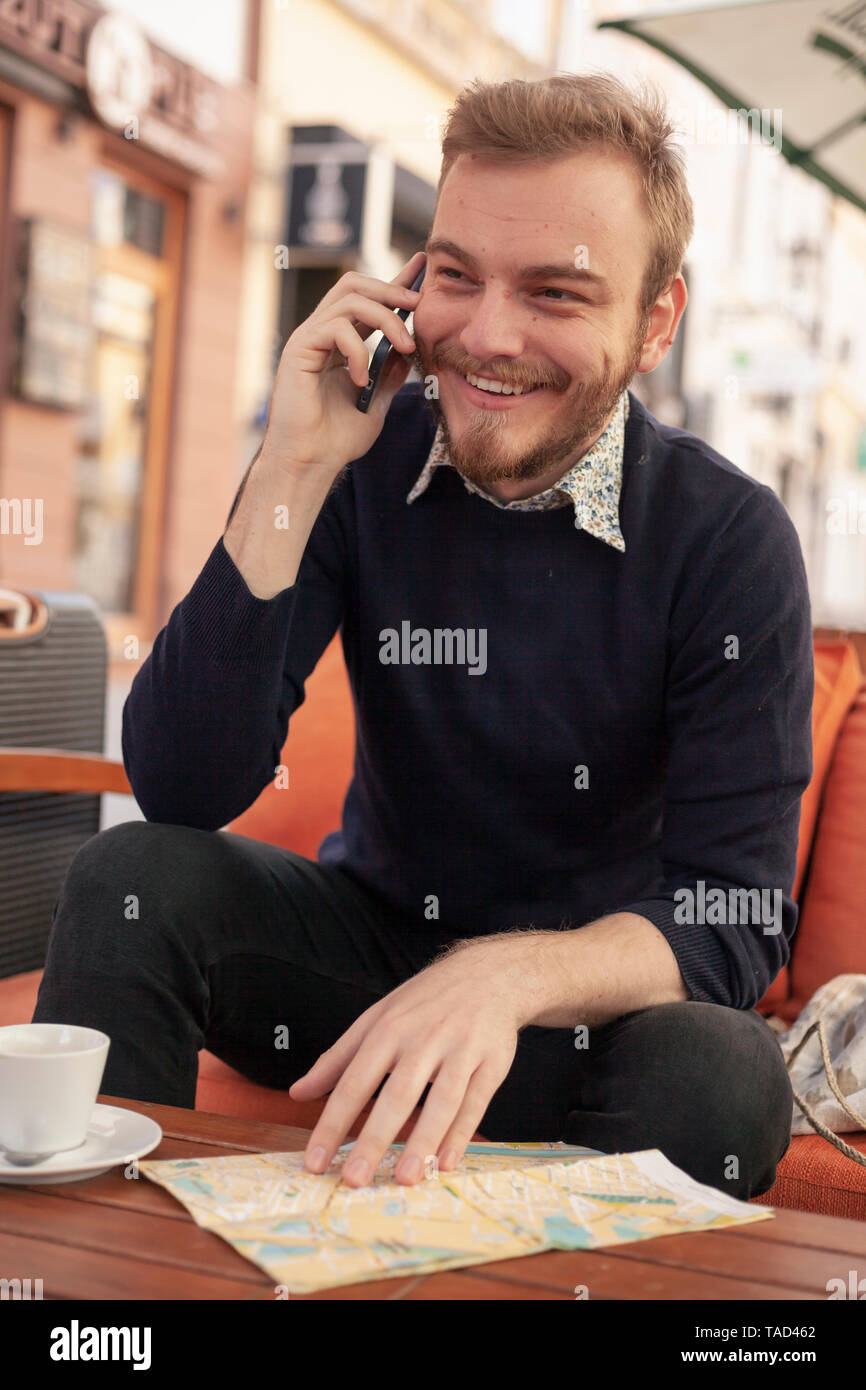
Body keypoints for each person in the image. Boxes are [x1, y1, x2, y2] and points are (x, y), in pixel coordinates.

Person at [33, 72, 813, 1199]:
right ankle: (106, 1295)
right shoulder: (355, 463)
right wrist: (293, 465)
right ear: (409, 281)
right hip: (362, 989)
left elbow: (730, 918)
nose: (487, 338)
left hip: (587, 1029)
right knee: (130, 877)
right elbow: (183, 784)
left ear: (653, 324)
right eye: (456, 276)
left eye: (553, 292)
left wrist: (501, 978)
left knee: (724, 1070)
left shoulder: (727, 537)